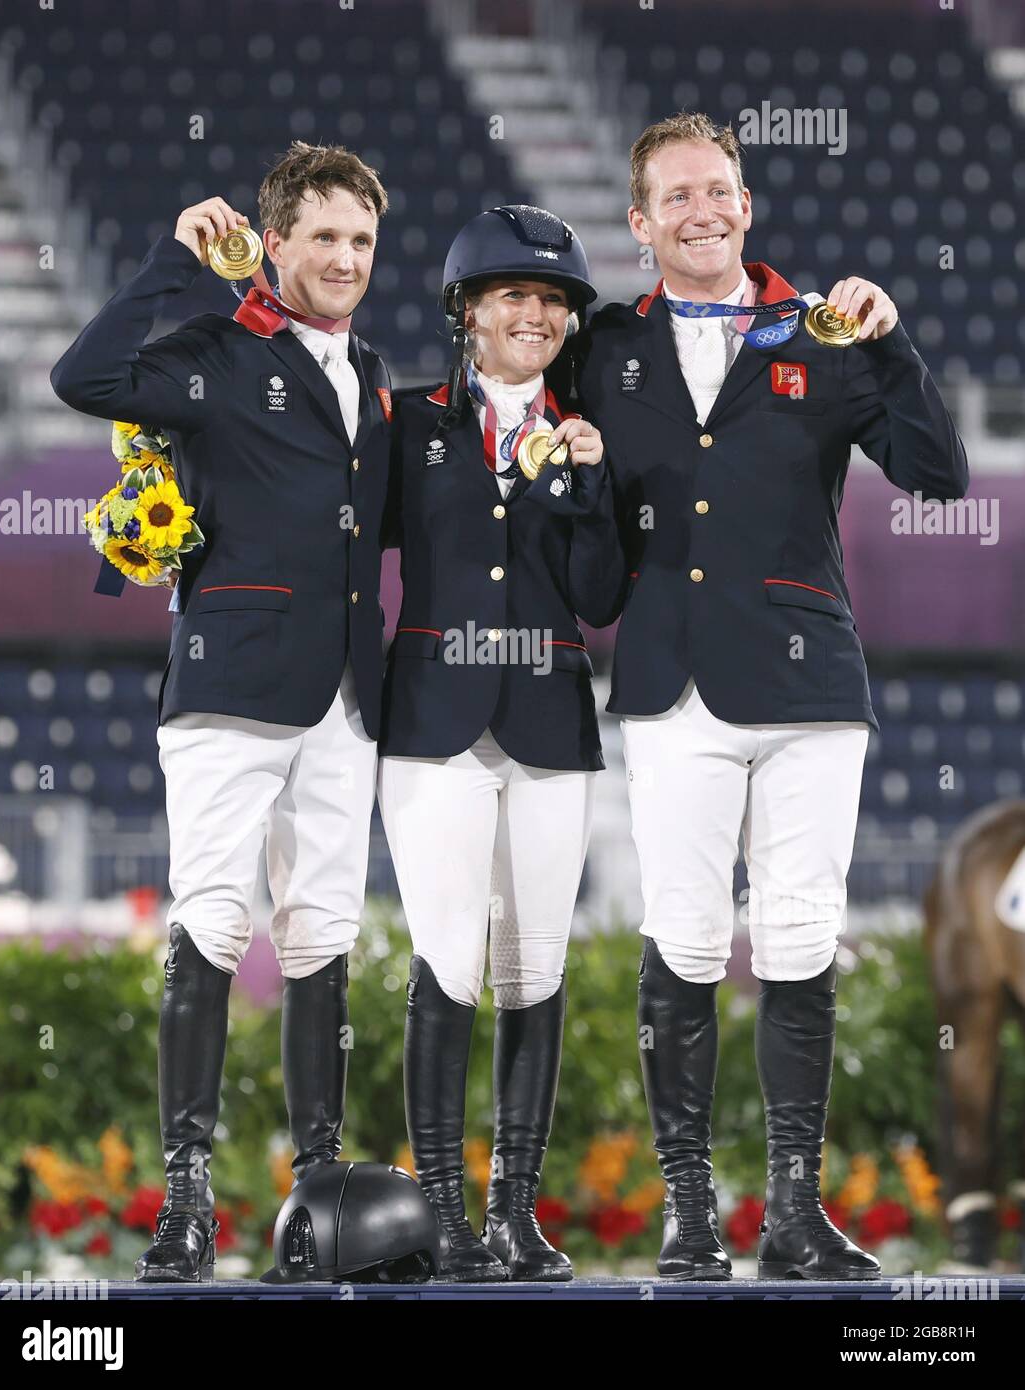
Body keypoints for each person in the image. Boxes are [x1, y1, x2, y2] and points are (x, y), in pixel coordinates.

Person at [578, 112, 968, 1281]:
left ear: (745, 202)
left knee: (799, 939)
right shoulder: (603, 346)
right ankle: (690, 1211)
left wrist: (893, 346)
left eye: (721, 189)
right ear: (641, 223)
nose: (705, 211)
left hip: (806, 684)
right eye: (677, 197)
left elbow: (940, 475)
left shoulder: (829, 332)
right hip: (669, 686)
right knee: (685, 944)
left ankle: (794, 1214)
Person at [51, 142, 393, 1281]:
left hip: (347, 698)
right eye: (325, 237)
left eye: (361, 240)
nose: (344, 258)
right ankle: (187, 1202)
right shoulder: (211, 348)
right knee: (209, 925)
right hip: (231, 687)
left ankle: (321, 1195)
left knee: (325, 939)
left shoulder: (381, 376)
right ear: (277, 241)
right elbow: (82, 378)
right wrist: (174, 262)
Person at [377, 205, 625, 1281]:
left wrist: (584, 484)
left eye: (552, 301)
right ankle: (440, 1209)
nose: (535, 314)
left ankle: (514, 1211)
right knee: (446, 958)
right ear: (467, 310)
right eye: (514, 296)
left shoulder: (583, 435)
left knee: (535, 966)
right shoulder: (406, 422)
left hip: (548, 719)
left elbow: (603, 594)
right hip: (434, 718)